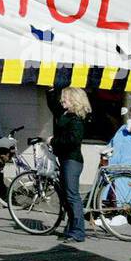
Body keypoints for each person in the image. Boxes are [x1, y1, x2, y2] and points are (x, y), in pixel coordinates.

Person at [47, 87, 90, 243]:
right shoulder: (65, 114)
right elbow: (54, 105)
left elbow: (73, 141)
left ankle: (78, 232)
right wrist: (51, 90)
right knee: (67, 196)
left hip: (72, 161)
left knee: (72, 196)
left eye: (64, 97)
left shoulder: (76, 119)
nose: (61, 99)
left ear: (73, 100)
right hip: (65, 159)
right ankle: (71, 227)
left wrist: (53, 141)